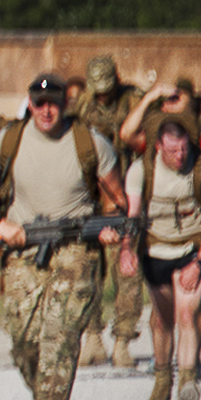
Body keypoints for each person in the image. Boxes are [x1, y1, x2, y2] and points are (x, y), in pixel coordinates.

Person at [0, 73, 132, 400]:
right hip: (22, 251)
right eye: (39, 103)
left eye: (53, 102)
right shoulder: (8, 141)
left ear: (65, 103)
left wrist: (109, 227)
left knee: (60, 340)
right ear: (30, 104)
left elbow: (117, 201)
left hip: (76, 252)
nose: (46, 110)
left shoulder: (91, 143)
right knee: (24, 343)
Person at [120, 116, 201, 400]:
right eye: (172, 151)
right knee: (162, 320)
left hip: (191, 249)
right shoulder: (141, 170)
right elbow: (133, 215)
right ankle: (162, 380)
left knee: (186, 315)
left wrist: (199, 263)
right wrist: (126, 249)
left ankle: (187, 383)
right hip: (155, 250)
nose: (180, 156)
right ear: (158, 147)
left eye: (183, 149)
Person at [72, 54, 146, 368]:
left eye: (107, 89)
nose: (103, 96)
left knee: (127, 270)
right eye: (98, 90)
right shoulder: (81, 106)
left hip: (125, 197)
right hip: (89, 200)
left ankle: (123, 341)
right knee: (87, 272)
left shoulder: (133, 100)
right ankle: (92, 338)